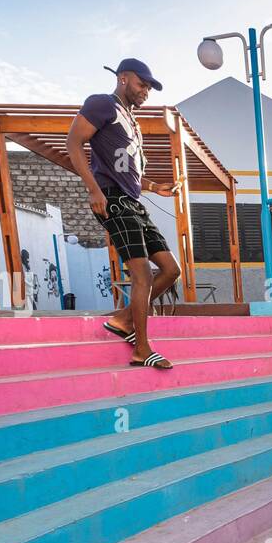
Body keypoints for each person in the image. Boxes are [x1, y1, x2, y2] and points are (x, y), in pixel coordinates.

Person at [67, 58, 181, 369]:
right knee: (142, 273)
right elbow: (73, 143)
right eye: (142, 84)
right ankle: (142, 348)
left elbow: (125, 172)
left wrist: (156, 187)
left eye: (149, 88)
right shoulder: (102, 104)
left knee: (171, 270)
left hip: (132, 201)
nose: (146, 91)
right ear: (123, 79)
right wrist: (93, 189)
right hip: (113, 201)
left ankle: (122, 318)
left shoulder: (131, 120)